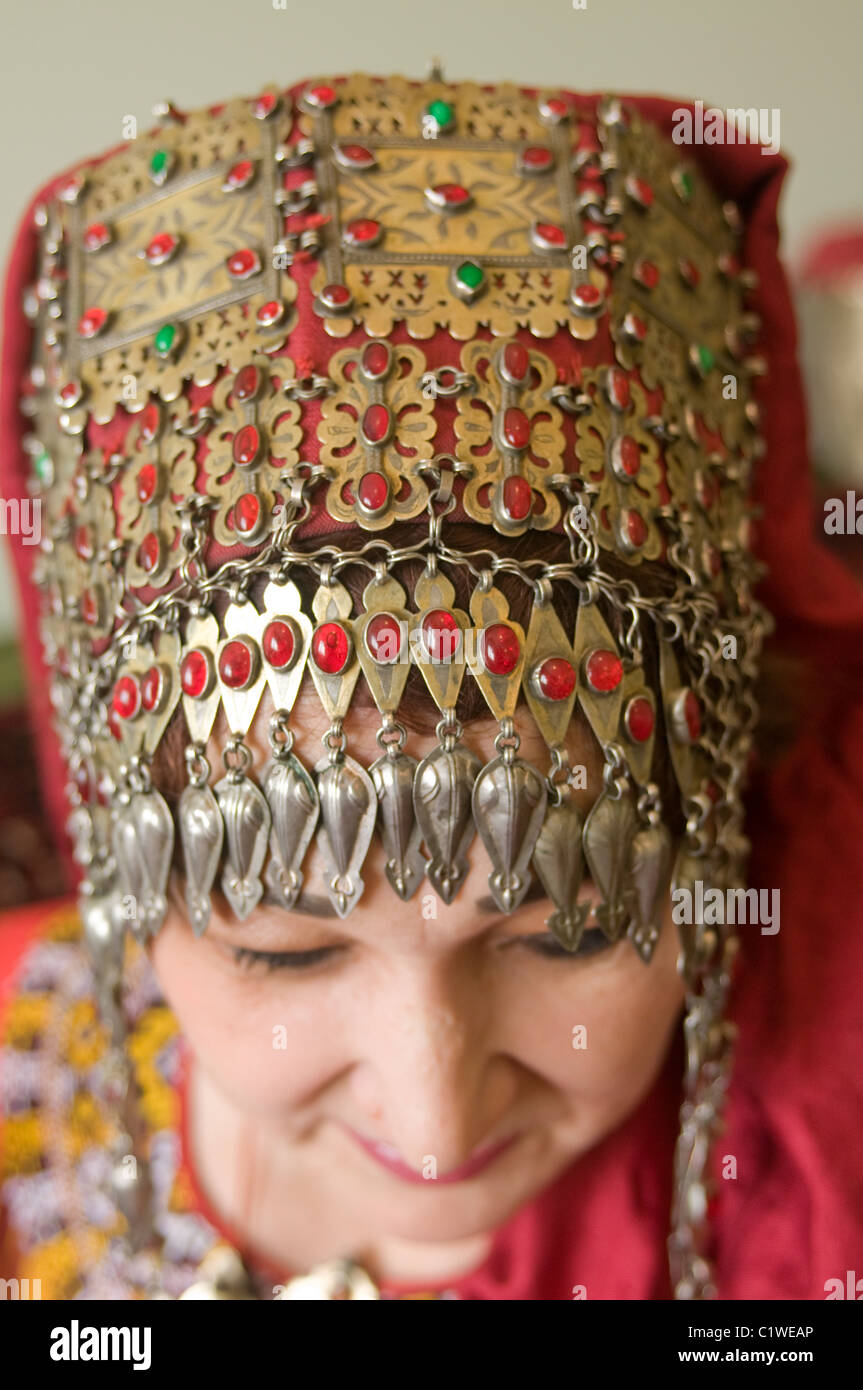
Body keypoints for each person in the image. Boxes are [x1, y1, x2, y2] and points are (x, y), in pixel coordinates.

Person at [1, 71, 862, 1302]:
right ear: (118, 854)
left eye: (568, 928)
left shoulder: (811, 1169)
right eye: (287, 951)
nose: (437, 1124)